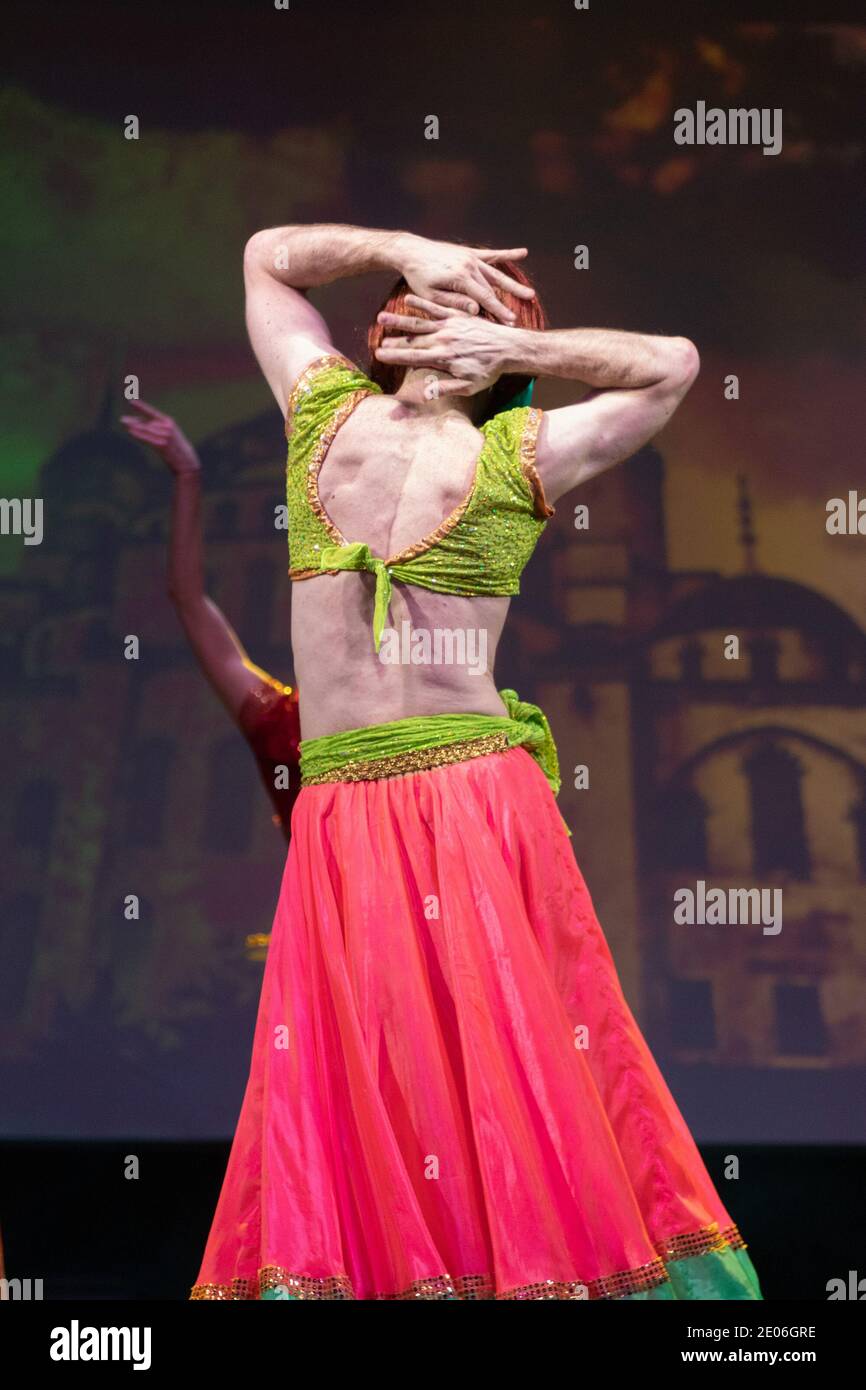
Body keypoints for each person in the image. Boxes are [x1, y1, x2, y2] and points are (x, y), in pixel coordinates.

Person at [189, 224, 762, 1301]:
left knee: (510, 1059)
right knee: (355, 1071)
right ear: (382, 324)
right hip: (341, 810)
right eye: (411, 293)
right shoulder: (320, 410)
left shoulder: (522, 451)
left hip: (470, 795)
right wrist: (404, 242)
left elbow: (674, 361)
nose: (420, 303)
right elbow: (264, 253)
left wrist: (520, 358)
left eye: (455, 302)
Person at [118, 403, 301, 904]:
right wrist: (188, 476)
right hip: (325, 927)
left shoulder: (414, 719)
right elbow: (190, 600)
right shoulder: (284, 724)